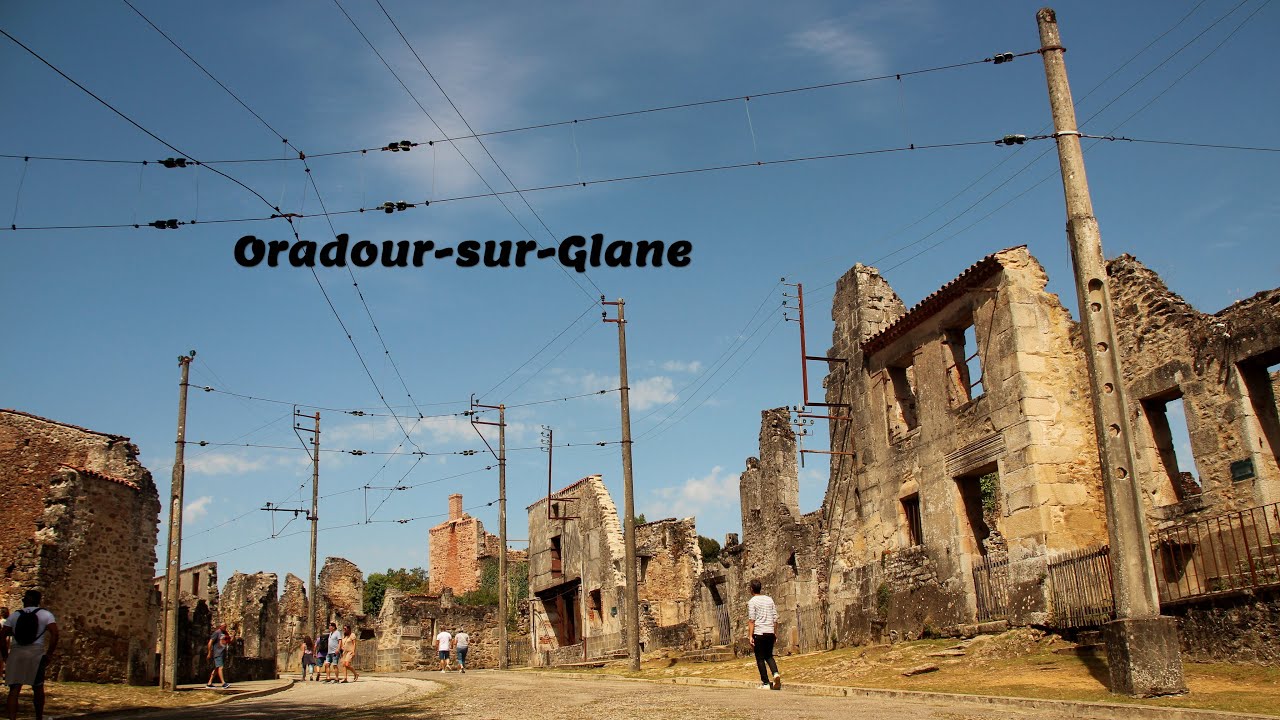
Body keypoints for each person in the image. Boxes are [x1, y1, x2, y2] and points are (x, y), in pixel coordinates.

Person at [1, 590, 58, 720]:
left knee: (14, 690)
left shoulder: (14, 616)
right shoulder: (45, 615)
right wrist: (49, 653)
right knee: (38, 688)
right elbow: (55, 634)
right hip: (35, 653)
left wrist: (5, 655)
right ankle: (39, 717)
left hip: (16, 652)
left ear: (24, 601)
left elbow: (2, 636)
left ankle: (12, 718)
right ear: (39, 601)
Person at [747, 579, 781, 690]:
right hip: (770, 631)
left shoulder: (752, 601)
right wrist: (775, 632)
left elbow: (752, 620)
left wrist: (750, 636)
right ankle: (775, 673)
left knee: (760, 658)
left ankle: (766, 683)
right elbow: (775, 618)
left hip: (759, 632)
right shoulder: (769, 599)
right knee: (769, 656)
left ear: (751, 589)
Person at [206, 623, 233, 689]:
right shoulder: (216, 633)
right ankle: (223, 683)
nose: (225, 627)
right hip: (218, 653)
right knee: (220, 667)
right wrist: (209, 652)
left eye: (225, 626)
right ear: (220, 626)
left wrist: (233, 636)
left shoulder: (225, 633)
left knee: (217, 668)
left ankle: (209, 683)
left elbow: (230, 641)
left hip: (223, 653)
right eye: (223, 626)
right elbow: (210, 642)